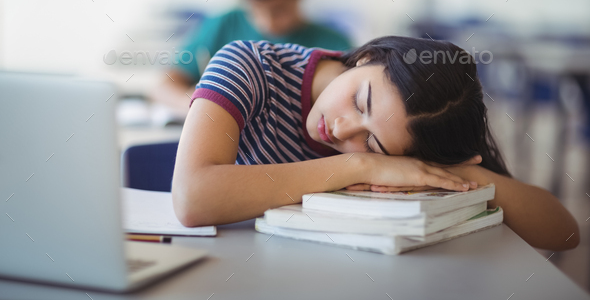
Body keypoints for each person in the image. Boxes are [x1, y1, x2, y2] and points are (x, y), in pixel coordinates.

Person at [171, 36, 580, 252]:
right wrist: (360, 166)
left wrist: (455, 169)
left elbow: (564, 234)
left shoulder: (404, 153)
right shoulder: (248, 65)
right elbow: (193, 198)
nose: (344, 129)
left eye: (372, 143)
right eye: (359, 100)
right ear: (367, 56)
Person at [152, 0, 352, 117]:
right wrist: (204, 109)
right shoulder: (223, 25)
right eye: (256, 8)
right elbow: (163, 86)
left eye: (280, 9)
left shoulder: (334, 46)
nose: (268, 23)